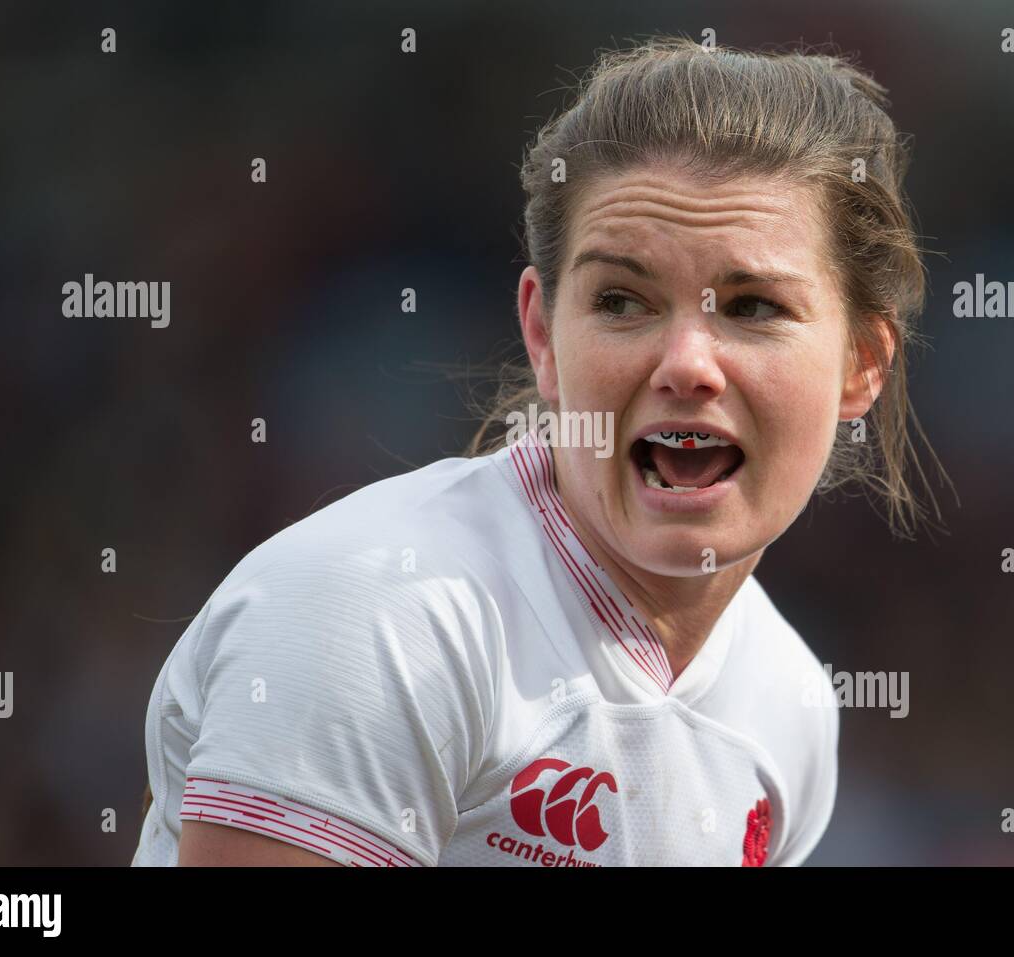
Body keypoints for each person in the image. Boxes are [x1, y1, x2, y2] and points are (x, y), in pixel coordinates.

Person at [132, 35, 942, 867]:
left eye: (754, 307)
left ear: (861, 365)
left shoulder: (791, 708)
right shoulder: (377, 614)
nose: (688, 364)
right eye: (623, 300)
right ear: (542, 335)